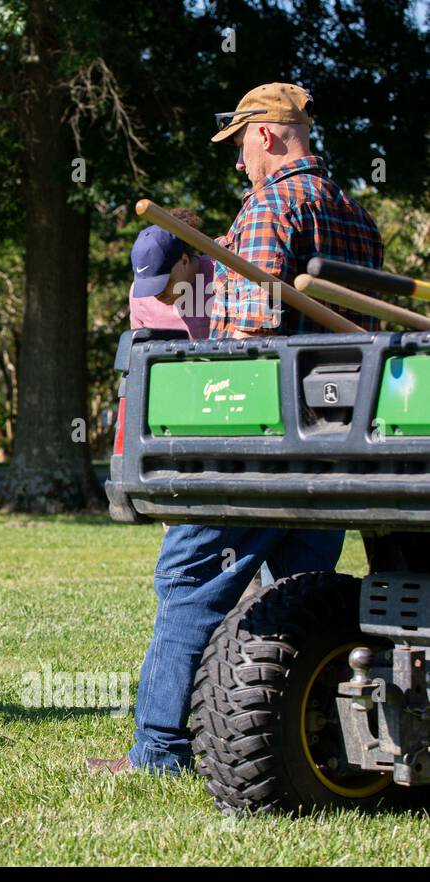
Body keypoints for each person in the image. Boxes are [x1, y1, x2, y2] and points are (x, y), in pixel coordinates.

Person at [90, 83, 383, 774]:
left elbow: (247, 342)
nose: (240, 165)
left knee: (189, 585)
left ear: (270, 136)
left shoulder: (271, 204)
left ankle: (159, 752)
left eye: (242, 148)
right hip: (337, 448)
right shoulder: (355, 213)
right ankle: (308, 740)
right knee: (303, 601)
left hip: (260, 449)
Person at [128, 209, 214, 339]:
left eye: (162, 283)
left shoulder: (222, 275)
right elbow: (138, 351)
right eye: (147, 286)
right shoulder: (138, 295)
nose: (157, 295)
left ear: (184, 261)